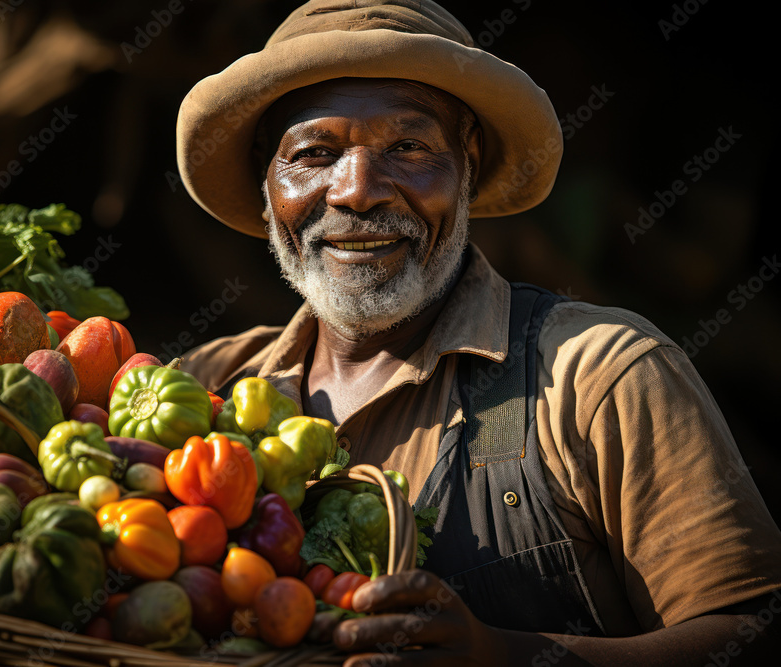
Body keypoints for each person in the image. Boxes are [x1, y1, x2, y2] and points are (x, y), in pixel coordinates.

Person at [175, 1, 781, 664]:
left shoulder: (599, 375)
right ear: (268, 180)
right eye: (314, 153)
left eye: (407, 147)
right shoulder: (204, 392)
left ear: (465, 164)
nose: (357, 192)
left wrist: (502, 654)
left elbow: (752, 635)